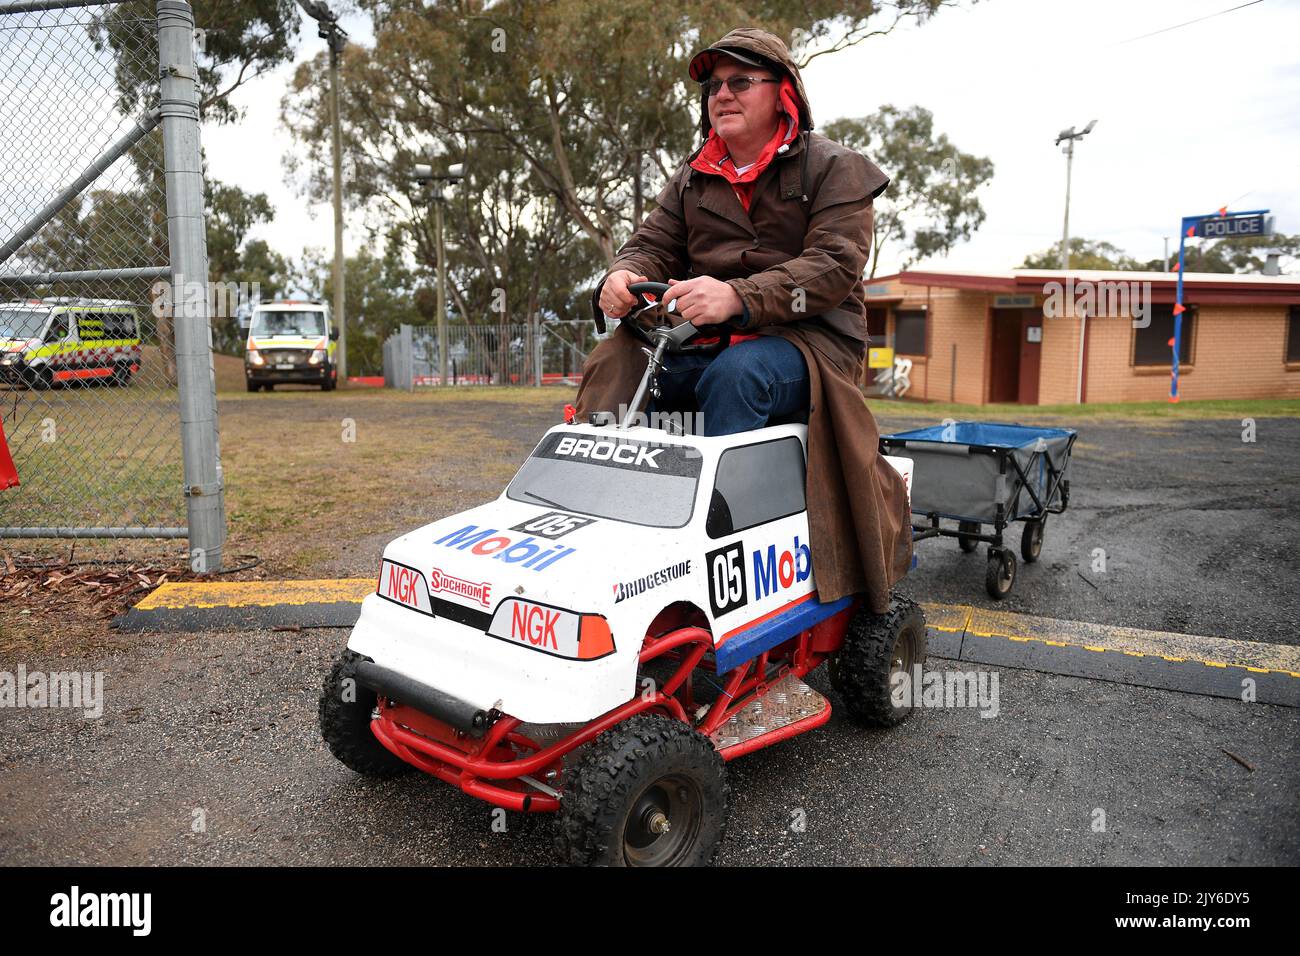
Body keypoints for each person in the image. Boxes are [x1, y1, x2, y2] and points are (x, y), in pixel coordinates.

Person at [574, 27, 911, 614]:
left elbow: (834, 267)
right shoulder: (691, 177)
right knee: (618, 357)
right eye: (713, 87)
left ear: (784, 95)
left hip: (809, 345)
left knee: (739, 373)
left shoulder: (836, 169)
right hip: (707, 340)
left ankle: (723, 545)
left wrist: (737, 297)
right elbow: (652, 245)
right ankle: (601, 519)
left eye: (739, 83)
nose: (721, 96)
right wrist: (624, 274)